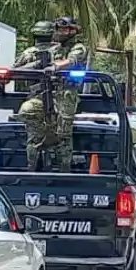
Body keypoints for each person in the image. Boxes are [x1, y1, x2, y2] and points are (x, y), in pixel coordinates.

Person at [14, 21, 59, 171]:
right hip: (60, 102)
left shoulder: (28, 53)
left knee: (34, 139)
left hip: (36, 100)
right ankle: (60, 169)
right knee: (62, 138)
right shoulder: (59, 52)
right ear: (52, 34)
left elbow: (14, 72)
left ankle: (31, 168)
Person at [47, 16, 89, 171]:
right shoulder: (55, 49)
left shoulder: (79, 48)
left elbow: (71, 61)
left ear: (73, 30)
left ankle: (64, 168)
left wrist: (56, 67)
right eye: (58, 29)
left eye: (64, 29)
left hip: (67, 94)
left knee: (63, 134)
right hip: (49, 92)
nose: (60, 32)